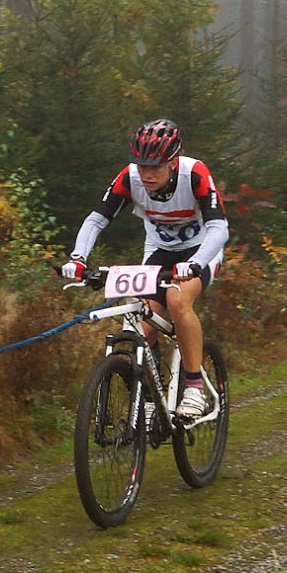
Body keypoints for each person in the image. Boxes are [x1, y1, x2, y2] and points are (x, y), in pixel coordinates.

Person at [60, 119, 229, 419]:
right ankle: (152, 398)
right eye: (142, 166)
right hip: (159, 253)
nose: (147, 174)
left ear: (173, 162)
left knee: (178, 300)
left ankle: (193, 388)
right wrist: (78, 259)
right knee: (141, 321)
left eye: (156, 167)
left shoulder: (195, 174)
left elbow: (219, 228)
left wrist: (195, 264)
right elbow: (97, 219)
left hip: (202, 250)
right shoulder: (130, 177)